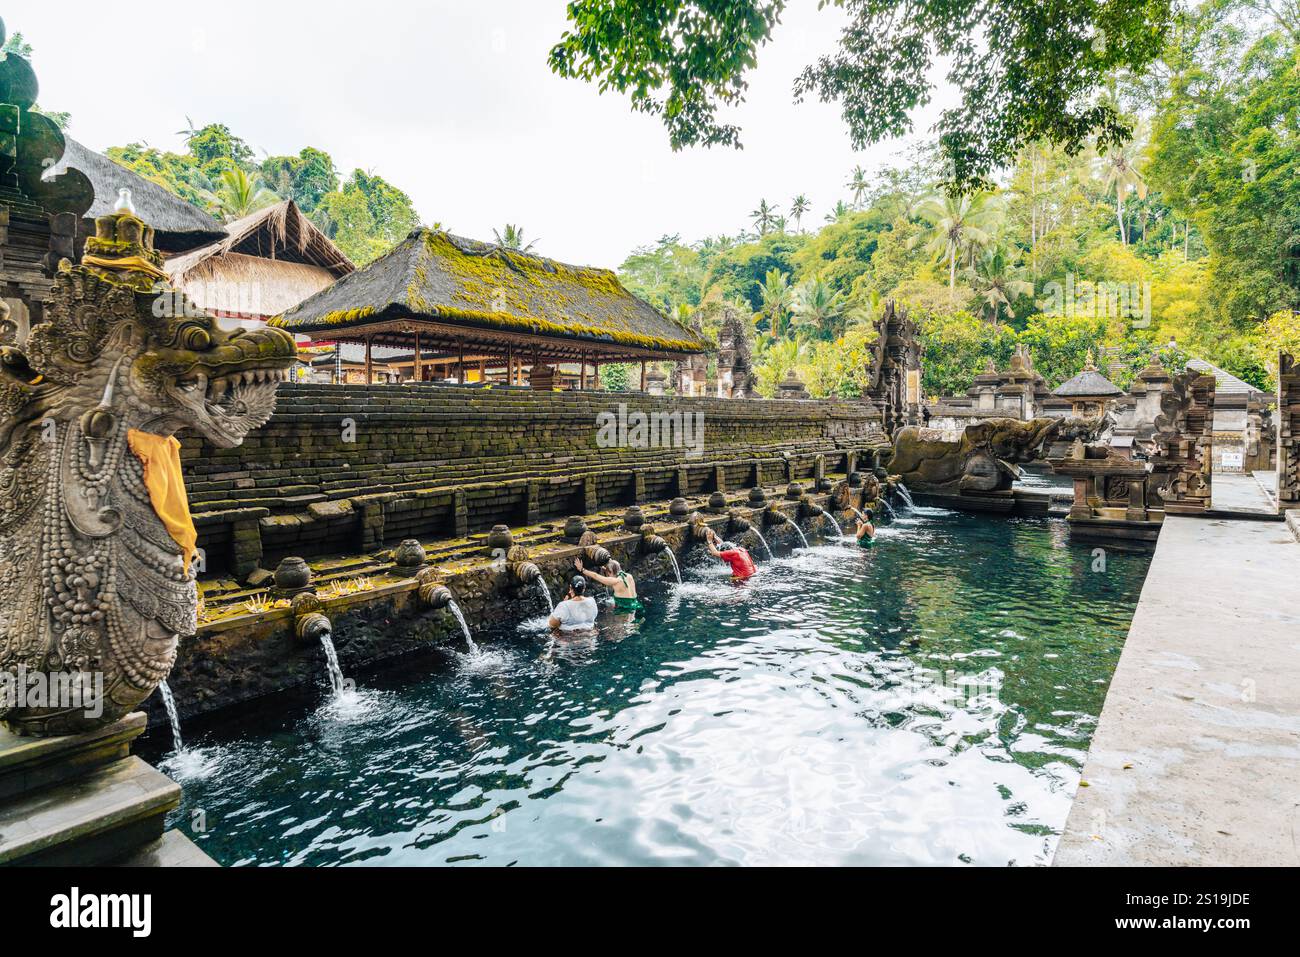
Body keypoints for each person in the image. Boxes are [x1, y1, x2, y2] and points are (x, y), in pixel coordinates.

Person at [575, 556, 641, 613]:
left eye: (608, 574)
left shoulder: (615, 581)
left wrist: (582, 569)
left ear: (610, 572)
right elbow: (614, 568)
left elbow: (596, 576)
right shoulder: (629, 576)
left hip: (625, 611)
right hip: (635, 606)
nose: (608, 576)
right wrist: (603, 567)